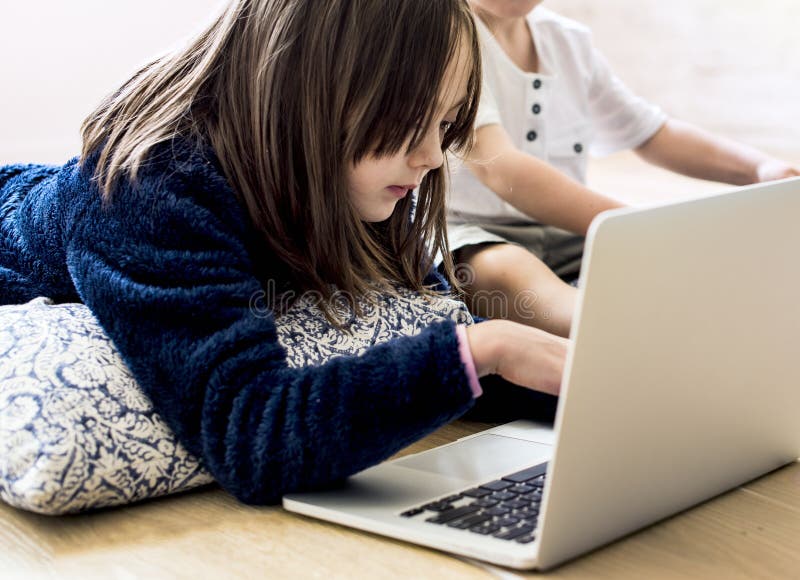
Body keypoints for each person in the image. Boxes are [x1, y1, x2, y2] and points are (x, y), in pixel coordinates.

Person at [0, 0, 570, 505]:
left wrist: (619, 390)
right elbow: (250, 439)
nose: (429, 154)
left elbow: (466, 356)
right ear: (305, 90)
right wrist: (485, 344)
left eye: (443, 124)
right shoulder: (149, 188)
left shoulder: (352, 178)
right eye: (405, 120)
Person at [447, 0, 800, 338]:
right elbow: (502, 170)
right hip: (474, 233)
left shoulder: (566, 40)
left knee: (668, 269)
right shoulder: (448, 39)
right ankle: (614, 332)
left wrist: (760, 168)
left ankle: (710, 321)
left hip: (567, 233)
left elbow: (650, 130)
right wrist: (636, 225)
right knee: (505, 271)